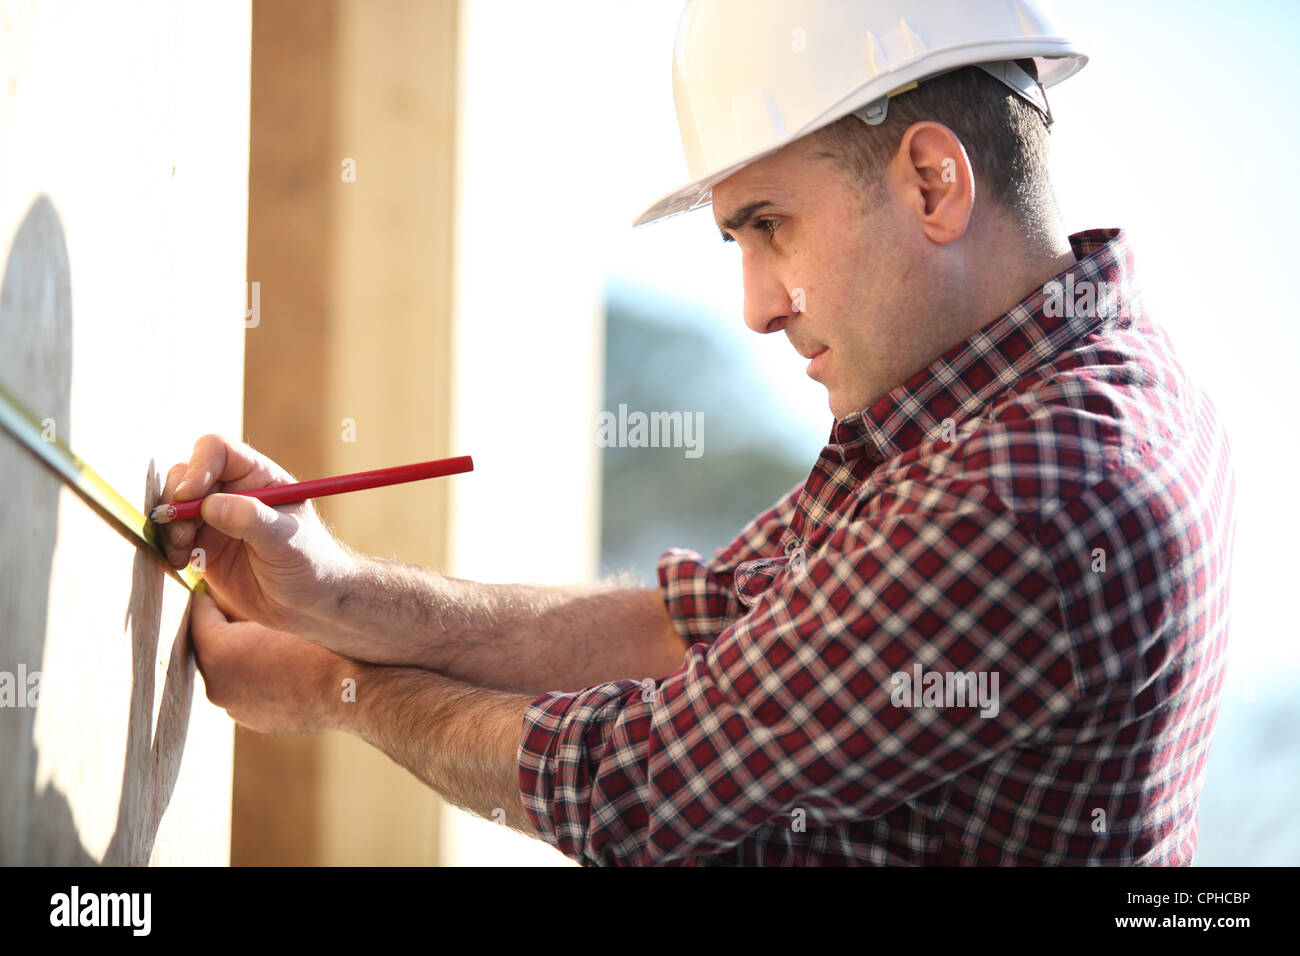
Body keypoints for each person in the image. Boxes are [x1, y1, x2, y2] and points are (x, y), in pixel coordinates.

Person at [159, 0, 1236, 865]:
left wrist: (337, 687)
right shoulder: (1014, 385)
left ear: (931, 179)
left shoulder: (1032, 490)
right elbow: (687, 632)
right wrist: (336, 592)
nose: (757, 306)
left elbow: (636, 789)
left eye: (769, 226)